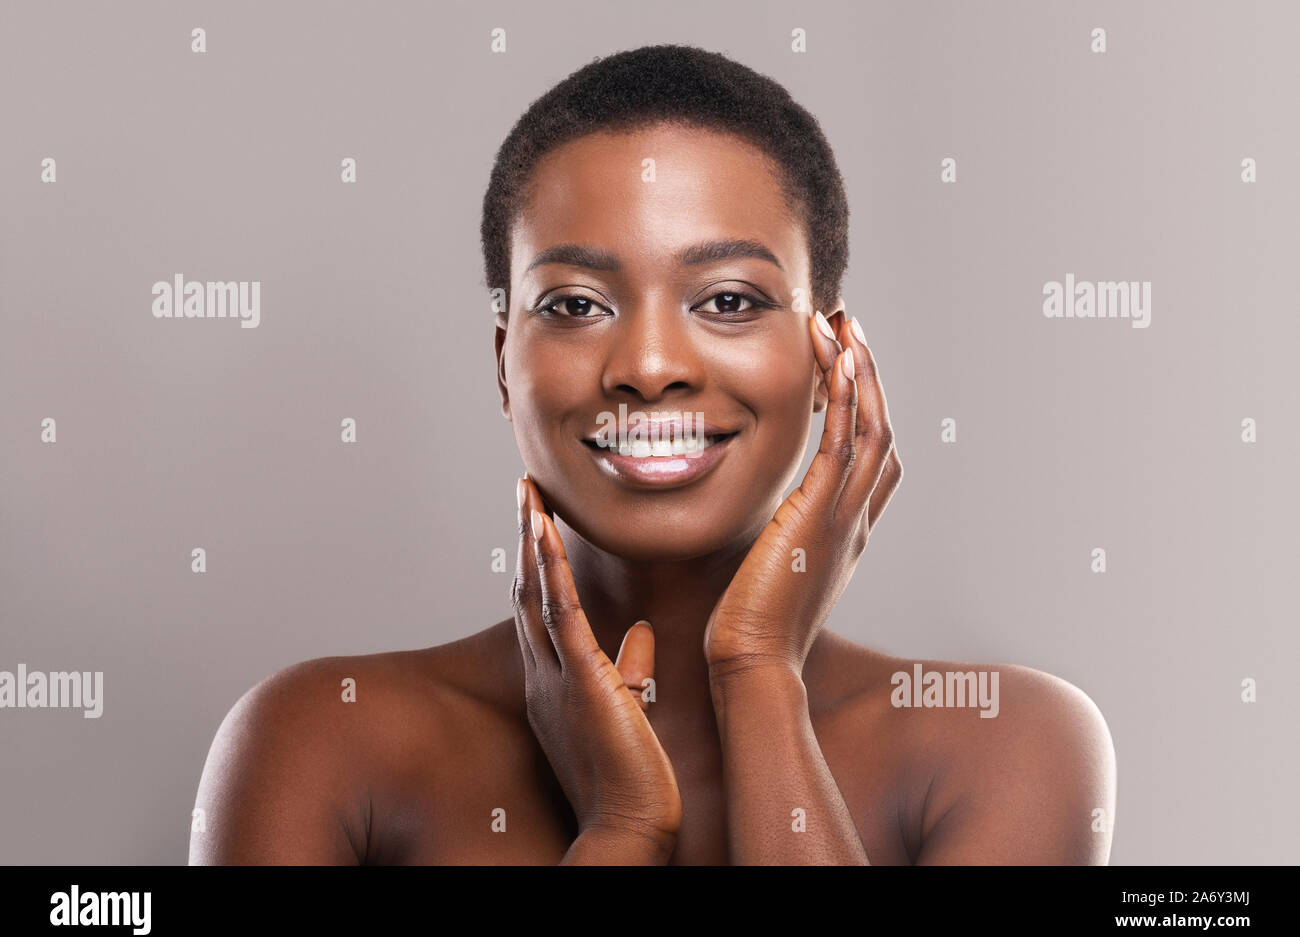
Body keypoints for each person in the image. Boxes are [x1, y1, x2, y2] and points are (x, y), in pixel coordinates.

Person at [189, 43, 1115, 865]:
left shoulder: (1007, 746)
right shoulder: (322, 742)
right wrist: (625, 828)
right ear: (504, 362)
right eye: (577, 305)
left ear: (830, 357)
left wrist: (756, 674)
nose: (649, 367)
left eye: (728, 299)